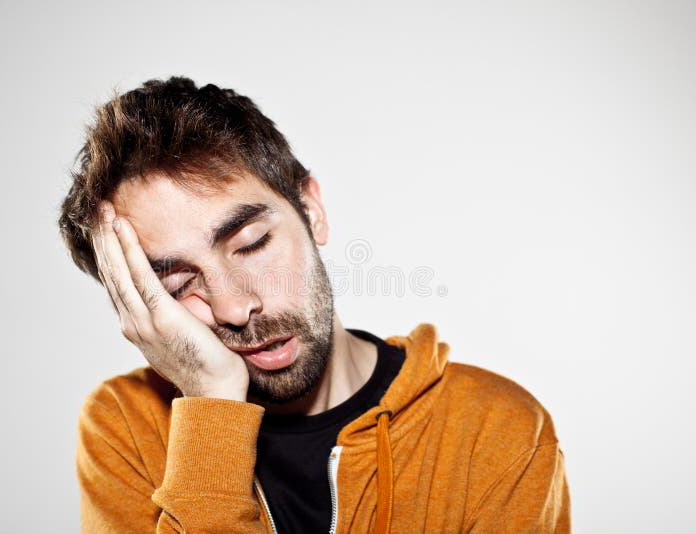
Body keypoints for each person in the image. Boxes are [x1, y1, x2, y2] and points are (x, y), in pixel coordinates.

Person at [58, 77, 570, 533]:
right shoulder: (125, 426)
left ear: (311, 209)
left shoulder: (493, 429)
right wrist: (211, 404)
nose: (236, 308)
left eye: (252, 243)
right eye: (176, 286)